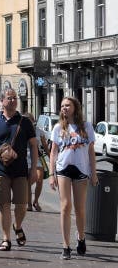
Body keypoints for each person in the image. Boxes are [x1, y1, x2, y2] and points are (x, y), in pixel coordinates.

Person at [0, 88, 38, 252]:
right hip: (1, 171)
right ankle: (6, 238)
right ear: (2, 101)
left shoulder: (25, 122)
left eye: (15, 98)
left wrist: (34, 168)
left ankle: (17, 225)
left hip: (21, 171)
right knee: (4, 205)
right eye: (9, 98)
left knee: (21, 205)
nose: (13, 100)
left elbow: (34, 146)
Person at [49, 97, 98, 260]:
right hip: (63, 168)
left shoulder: (87, 126)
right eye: (62, 105)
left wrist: (94, 173)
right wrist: (51, 174)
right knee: (65, 206)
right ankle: (65, 245)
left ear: (75, 107)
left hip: (81, 169)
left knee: (79, 209)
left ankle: (81, 237)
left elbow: (91, 152)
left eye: (67, 105)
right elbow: (53, 152)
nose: (64, 108)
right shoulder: (58, 128)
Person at [25, 112, 49, 212]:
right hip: (25, 157)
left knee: (39, 179)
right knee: (28, 182)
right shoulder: (21, 131)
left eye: (30, 120)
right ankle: (29, 203)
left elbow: (45, 146)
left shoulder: (39, 132)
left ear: (33, 121)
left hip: (37, 157)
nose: (28, 122)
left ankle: (36, 201)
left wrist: (51, 157)